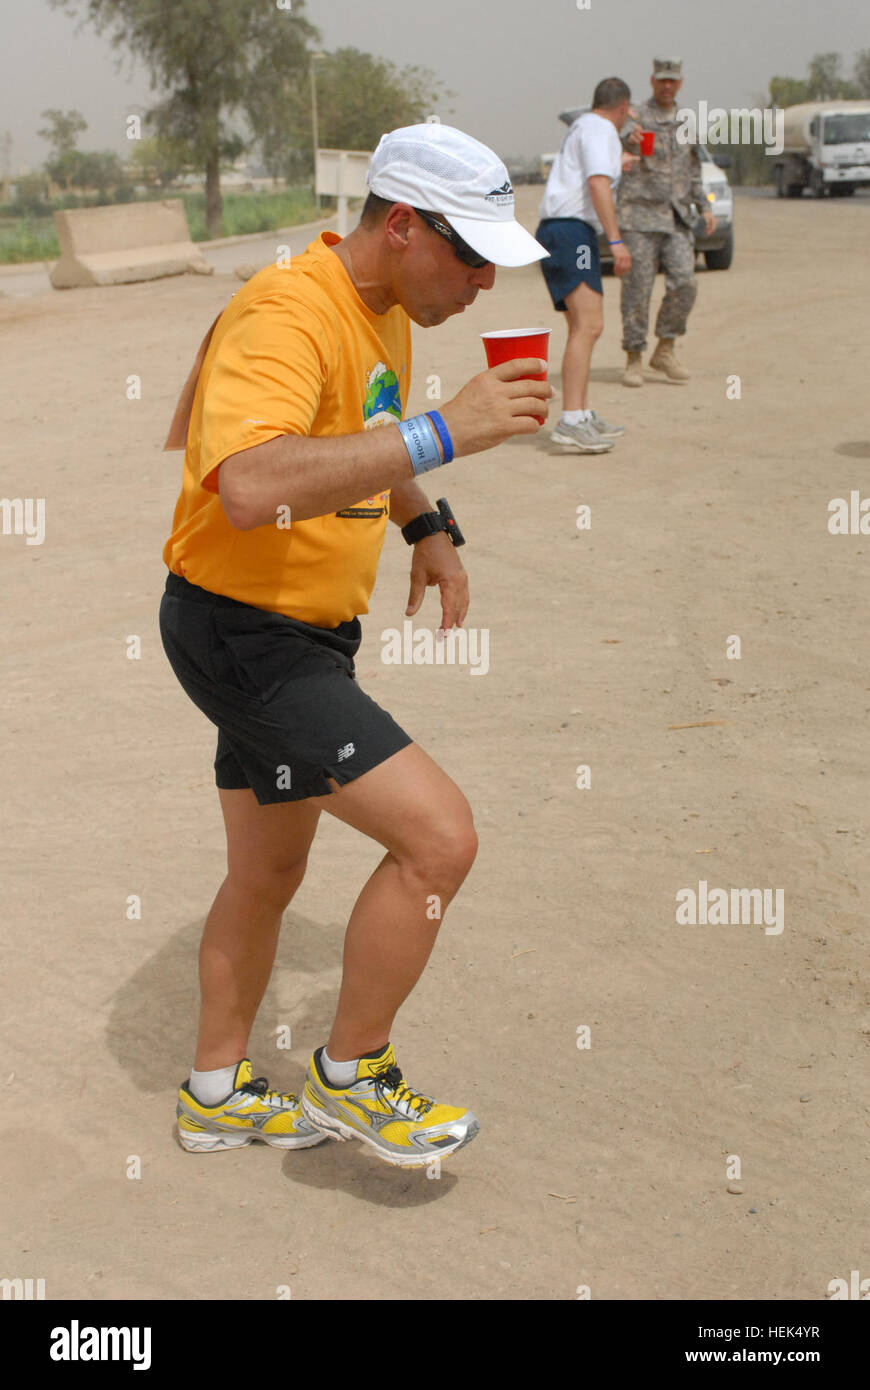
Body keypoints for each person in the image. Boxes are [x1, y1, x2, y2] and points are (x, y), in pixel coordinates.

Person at [158, 123, 552, 1168]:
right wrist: (444, 431)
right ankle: (355, 1076)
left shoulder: (382, 302)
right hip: (249, 635)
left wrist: (426, 523)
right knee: (439, 837)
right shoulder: (289, 310)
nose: (480, 285)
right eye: (470, 257)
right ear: (406, 226)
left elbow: (359, 431)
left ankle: (216, 1091)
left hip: (291, 633)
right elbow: (249, 484)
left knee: (267, 872)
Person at [534, 77, 634, 455]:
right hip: (572, 231)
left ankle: (582, 412)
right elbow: (596, 182)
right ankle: (571, 420)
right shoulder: (601, 129)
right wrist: (615, 239)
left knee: (581, 326)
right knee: (590, 325)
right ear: (622, 108)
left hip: (563, 229)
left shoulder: (583, 126)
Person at [617, 57, 716, 386]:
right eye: (662, 80)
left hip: (676, 218)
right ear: (652, 81)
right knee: (637, 290)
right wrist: (628, 139)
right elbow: (621, 142)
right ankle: (634, 356)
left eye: (672, 80)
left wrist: (705, 207)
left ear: (680, 82)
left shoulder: (687, 121)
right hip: (640, 217)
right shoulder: (636, 117)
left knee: (686, 282)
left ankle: (665, 348)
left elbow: (695, 168)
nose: (667, 85)